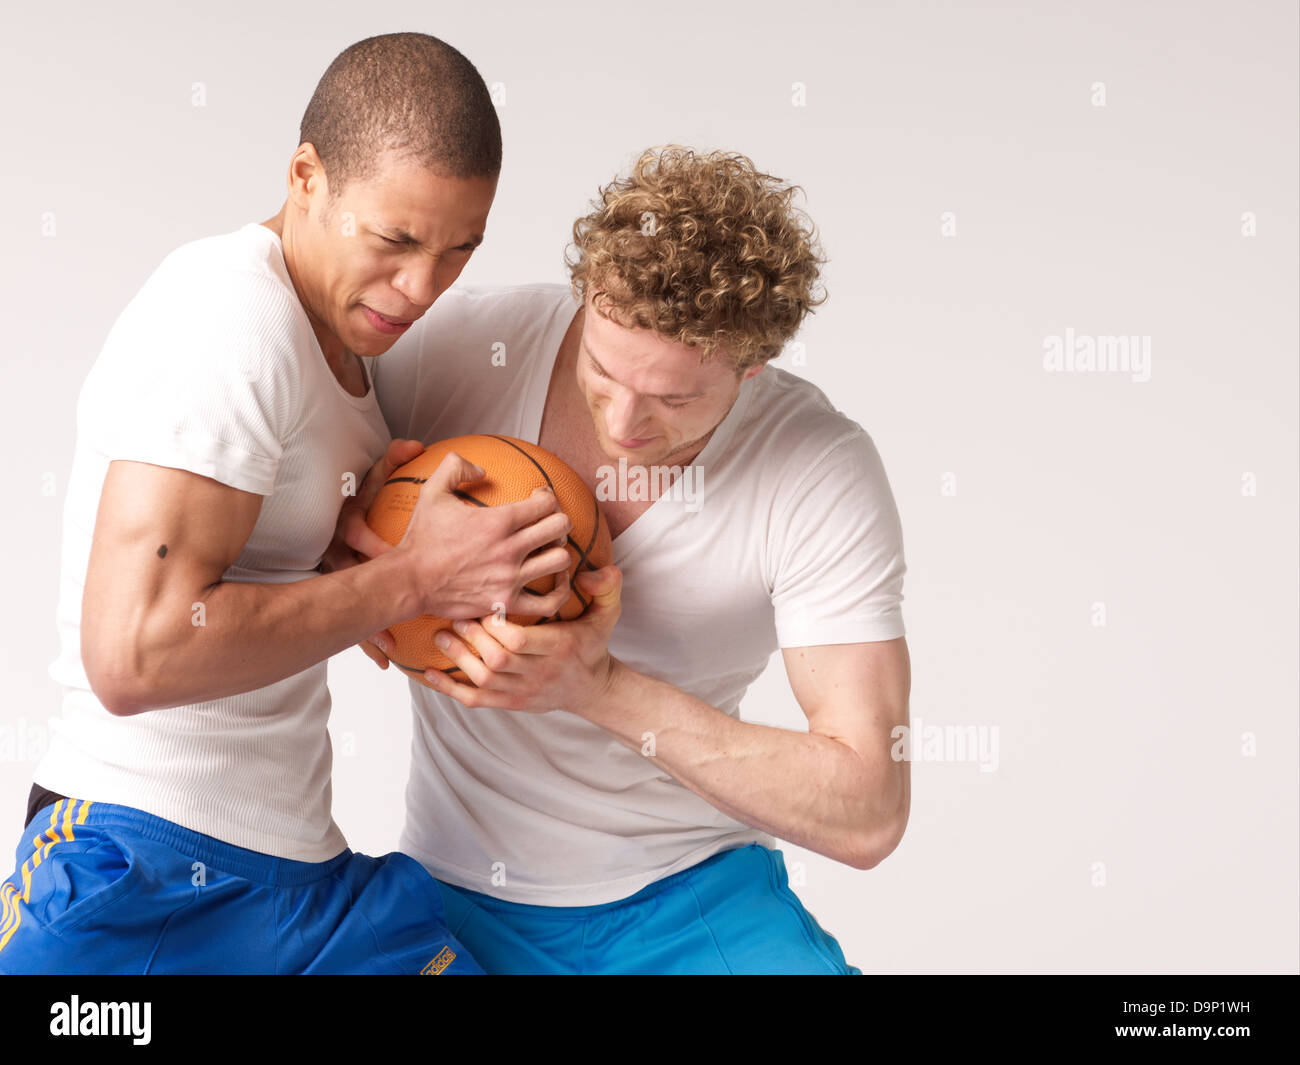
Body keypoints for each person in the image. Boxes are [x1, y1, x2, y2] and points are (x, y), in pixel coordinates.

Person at [0, 32, 574, 975]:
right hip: (139, 866)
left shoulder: (340, 345)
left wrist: (364, 559)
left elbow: (257, 580)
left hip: (298, 879)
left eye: (457, 250)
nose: (421, 288)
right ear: (306, 176)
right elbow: (133, 653)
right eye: (395, 241)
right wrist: (413, 576)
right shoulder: (233, 317)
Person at [358, 145, 913, 974]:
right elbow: (279, 510)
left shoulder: (815, 467)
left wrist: (598, 687)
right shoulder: (463, 346)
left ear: (753, 366)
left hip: (689, 893)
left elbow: (869, 807)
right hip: (454, 890)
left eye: (673, 398)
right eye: (602, 369)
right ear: (586, 297)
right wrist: (367, 570)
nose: (622, 424)